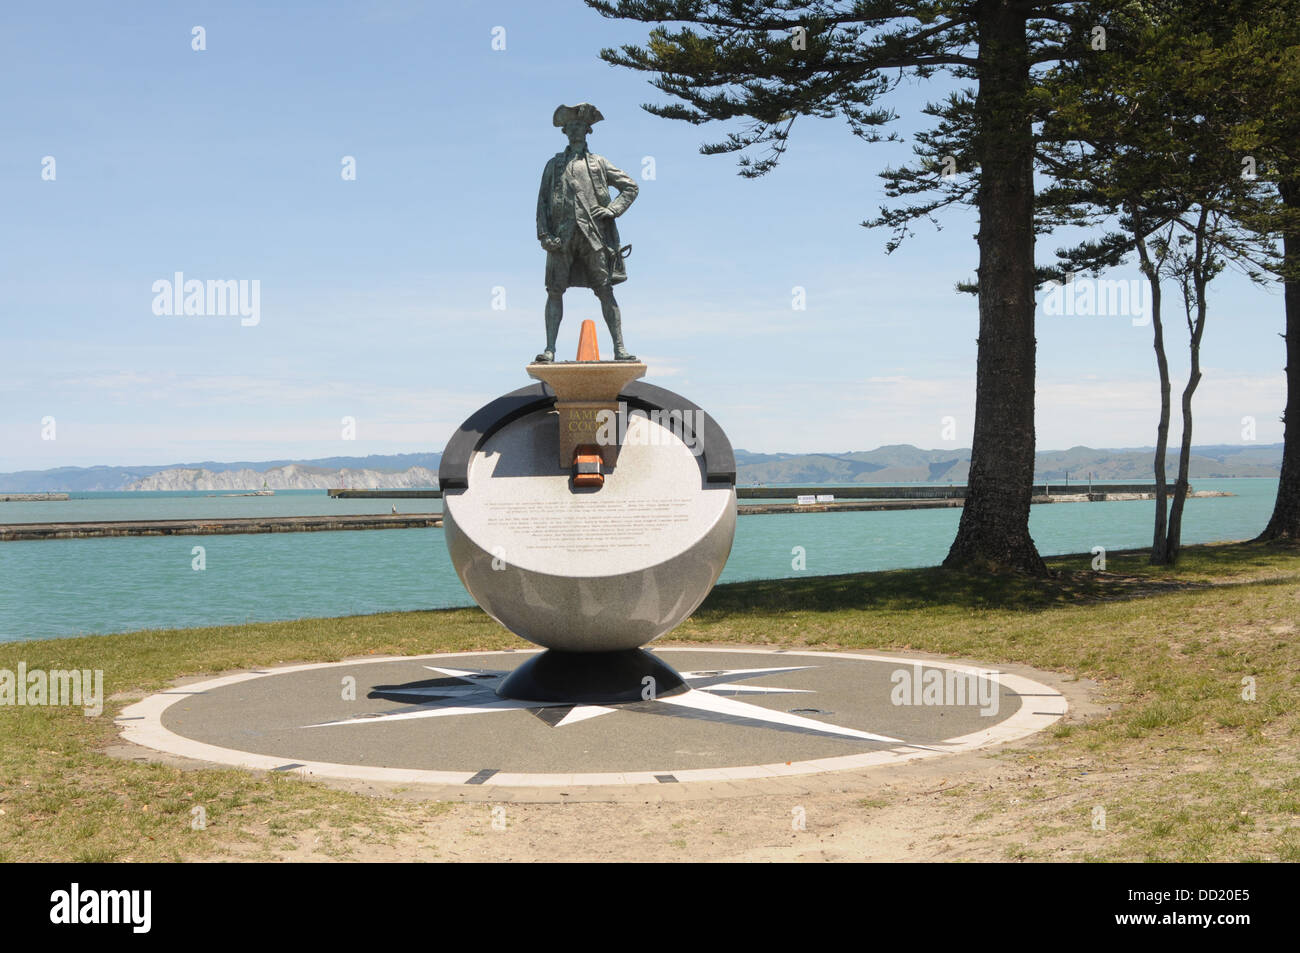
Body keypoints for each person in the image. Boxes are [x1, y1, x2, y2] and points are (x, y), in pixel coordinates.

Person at [535, 103, 638, 362]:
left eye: (580, 127)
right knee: (554, 291)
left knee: (605, 290)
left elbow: (630, 187)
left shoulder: (599, 163)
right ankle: (550, 349)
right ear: (565, 132)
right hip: (562, 237)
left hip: (594, 236)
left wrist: (613, 209)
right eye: (571, 127)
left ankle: (619, 348)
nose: (576, 131)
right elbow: (543, 202)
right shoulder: (553, 164)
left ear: (588, 130)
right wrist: (545, 236)